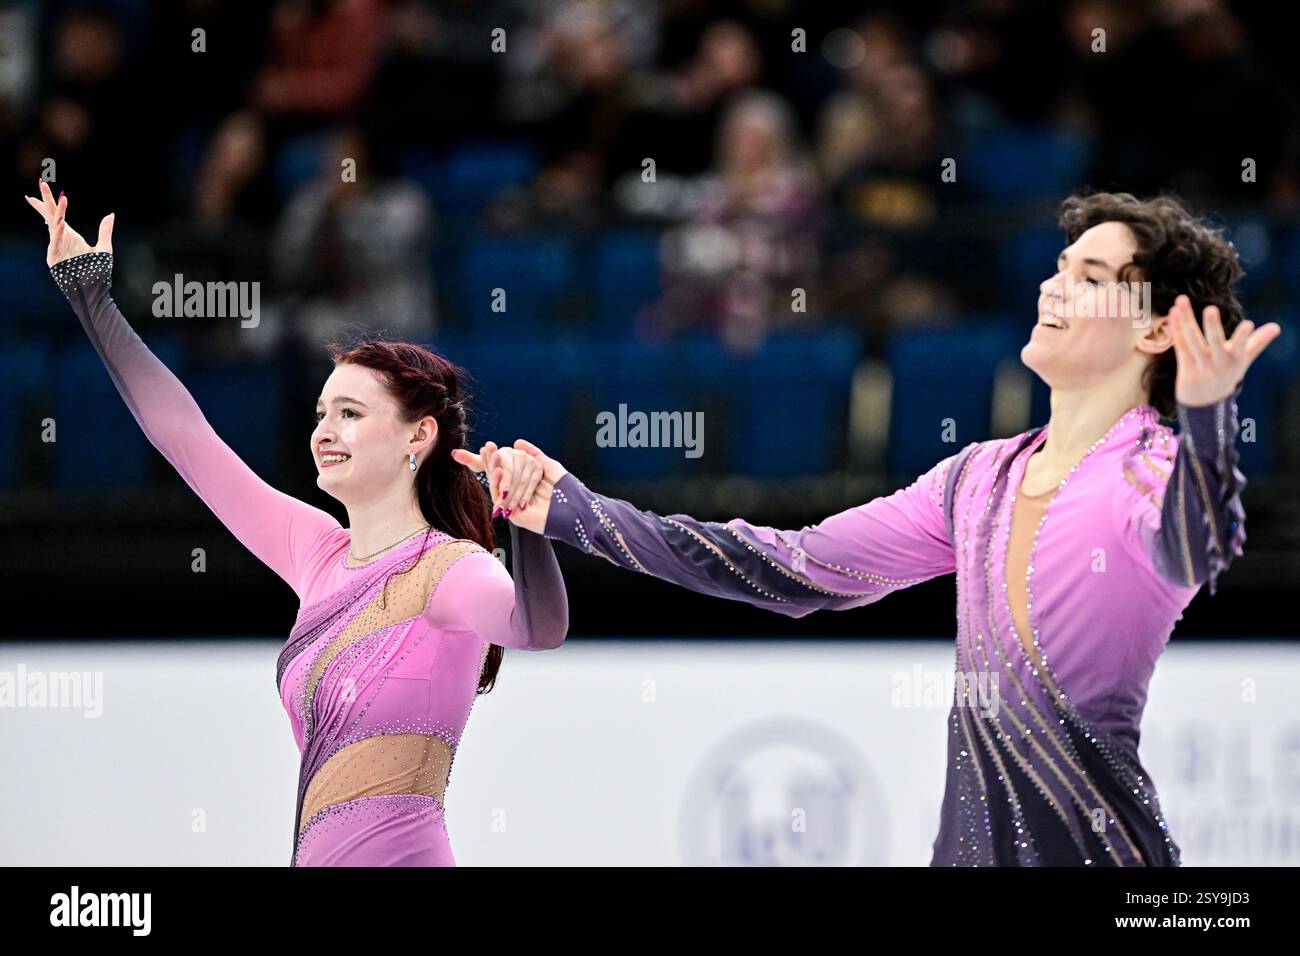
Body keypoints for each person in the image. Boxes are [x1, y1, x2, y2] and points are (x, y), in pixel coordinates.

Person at [455, 192, 1281, 866]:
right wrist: (572, 510)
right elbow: (789, 569)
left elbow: (1196, 546)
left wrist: (1207, 424)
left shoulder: (1153, 468)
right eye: (1060, 266)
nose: (1053, 287)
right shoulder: (975, 481)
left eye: (1090, 275)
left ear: (1154, 329)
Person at [27, 181, 568, 866]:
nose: (325, 431)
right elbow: (185, 439)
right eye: (321, 413)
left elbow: (537, 630)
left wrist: (528, 527)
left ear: (416, 436)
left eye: (350, 413)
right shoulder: (316, 551)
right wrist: (91, 298)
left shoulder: (451, 570)